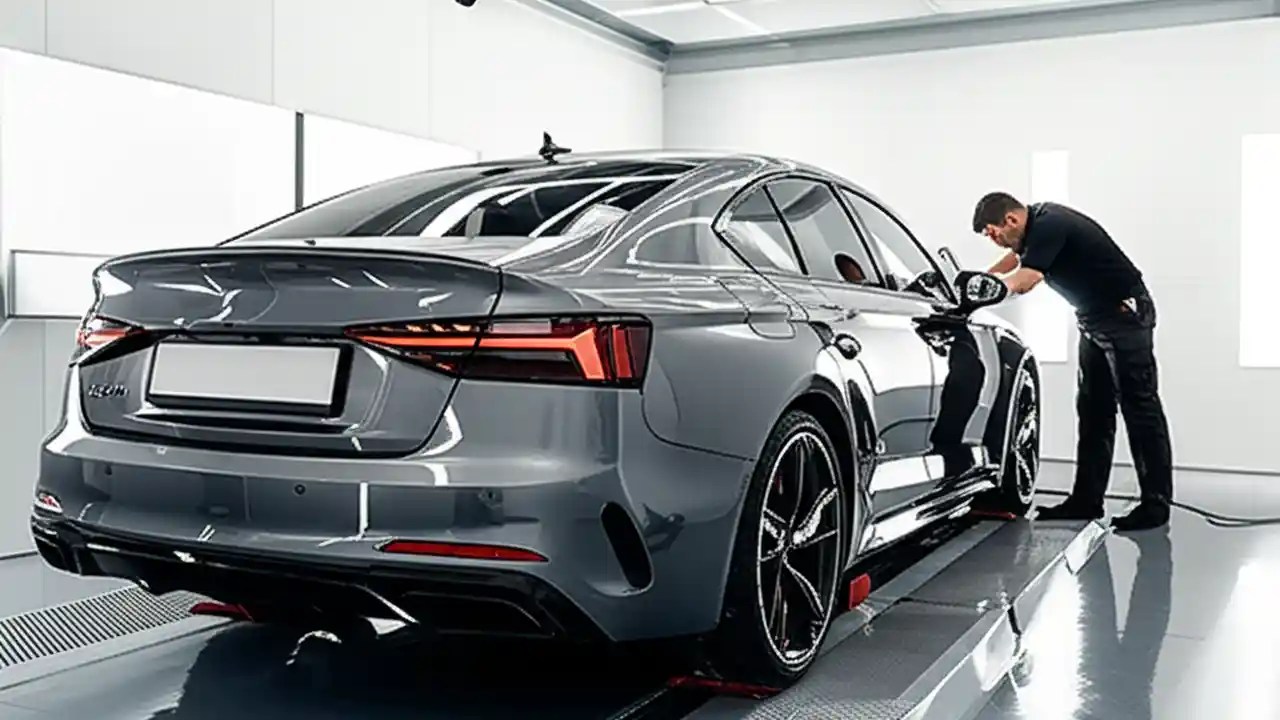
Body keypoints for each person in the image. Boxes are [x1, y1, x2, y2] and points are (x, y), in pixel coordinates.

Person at [971, 192, 1173, 531]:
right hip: (1093, 320)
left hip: (1123, 315)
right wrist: (974, 281)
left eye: (993, 232)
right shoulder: (1033, 229)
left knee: (1140, 408)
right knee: (1093, 410)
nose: (994, 241)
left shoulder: (1051, 224)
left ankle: (1156, 506)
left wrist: (978, 298)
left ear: (1011, 220)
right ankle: (1086, 501)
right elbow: (1011, 262)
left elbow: (1025, 280)